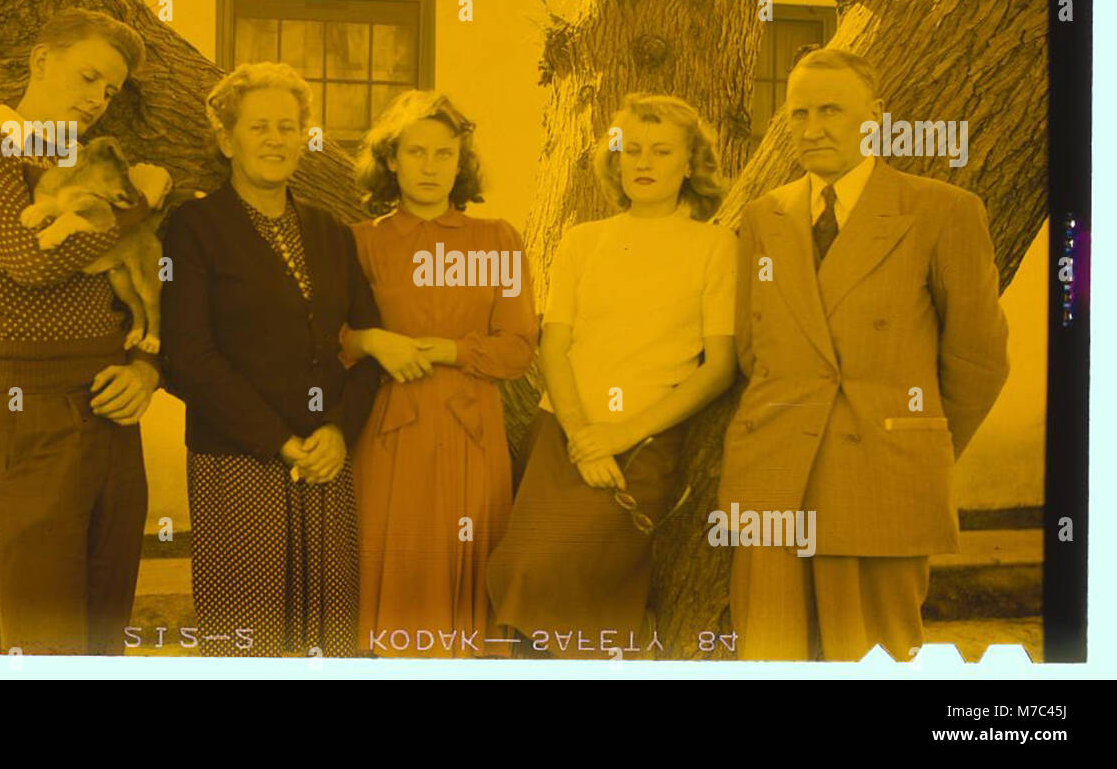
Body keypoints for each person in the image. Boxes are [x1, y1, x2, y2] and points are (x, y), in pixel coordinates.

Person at [720, 47, 1010, 661]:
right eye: (798, 113)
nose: (813, 127)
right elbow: (754, 348)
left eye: (831, 110)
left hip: (883, 477)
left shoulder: (941, 210)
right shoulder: (764, 216)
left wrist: (913, 442)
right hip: (772, 478)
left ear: (873, 117)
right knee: (770, 656)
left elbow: (978, 359)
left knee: (872, 657)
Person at [0, 8, 173, 655]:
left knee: (103, 633)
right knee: (46, 640)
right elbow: (33, 260)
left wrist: (148, 368)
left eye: (109, 90)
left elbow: (140, 277)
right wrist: (140, 202)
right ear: (41, 62)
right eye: (88, 76)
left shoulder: (82, 163)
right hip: (31, 406)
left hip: (116, 404)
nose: (97, 99)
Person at [487, 94, 738, 658]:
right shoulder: (583, 239)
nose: (643, 162)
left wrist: (618, 438)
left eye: (662, 151)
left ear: (690, 164)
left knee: (578, 580)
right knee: (521, 571)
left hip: (644, 443)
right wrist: (582, 436)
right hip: (563, 435)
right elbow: (554, 344)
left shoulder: (716, 246)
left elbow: (720, 368)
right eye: (632, 151)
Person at [161, 62, 383, 657]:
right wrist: (283, 443)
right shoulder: (194, 228)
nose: (275, 139)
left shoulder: (330, 229)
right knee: (248, 639)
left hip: (328, 461)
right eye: (258, 127)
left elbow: (368, 342)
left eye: (288, 127)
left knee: (327, 635)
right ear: (227, 140)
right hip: (239, 459)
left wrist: (339, 430)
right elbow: (187, 358)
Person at [343, 91, 538, 658]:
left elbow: (519, 348)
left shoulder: (496, 239)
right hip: (388, 434)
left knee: (466, 574)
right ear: (391, 160)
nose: (430, 167)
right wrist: (372, 341)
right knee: (396, 572)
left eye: (444, 154)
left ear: (461, 163)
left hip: (471, 433)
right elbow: (332, 340)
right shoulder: (363, 241)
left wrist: (453, 350)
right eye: (416, 152)